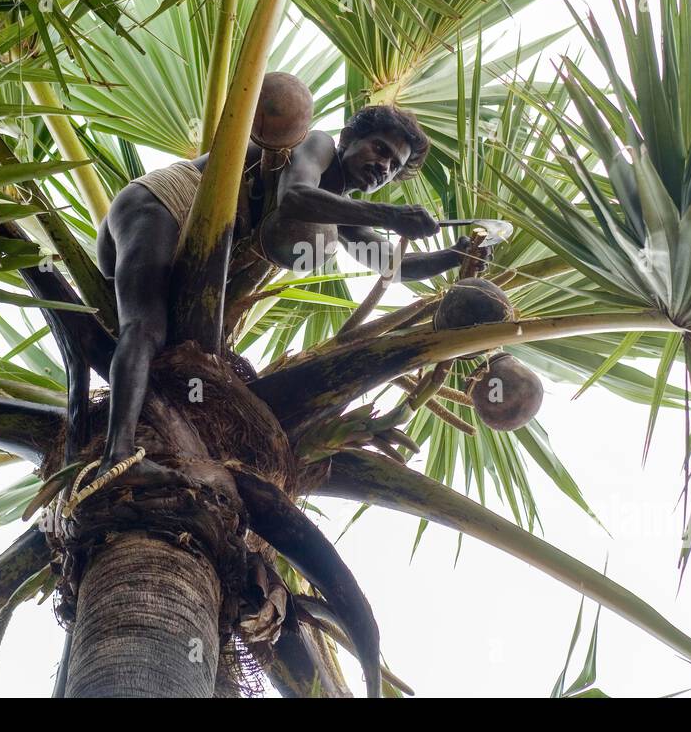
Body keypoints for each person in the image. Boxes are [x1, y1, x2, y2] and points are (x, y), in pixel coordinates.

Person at [85, 85, 467, 492]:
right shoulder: (317, 146)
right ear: (349, 139)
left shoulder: (341, 212)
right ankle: (119, 455)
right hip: (164, 202)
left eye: (394, 164)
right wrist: (392, 216)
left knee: (163, 341)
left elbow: (393, 264)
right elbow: (296, 197)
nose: (384, 165)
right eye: (379, 149)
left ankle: (133, 438)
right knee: (144, 329)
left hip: (181, 242)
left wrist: (459, 253)